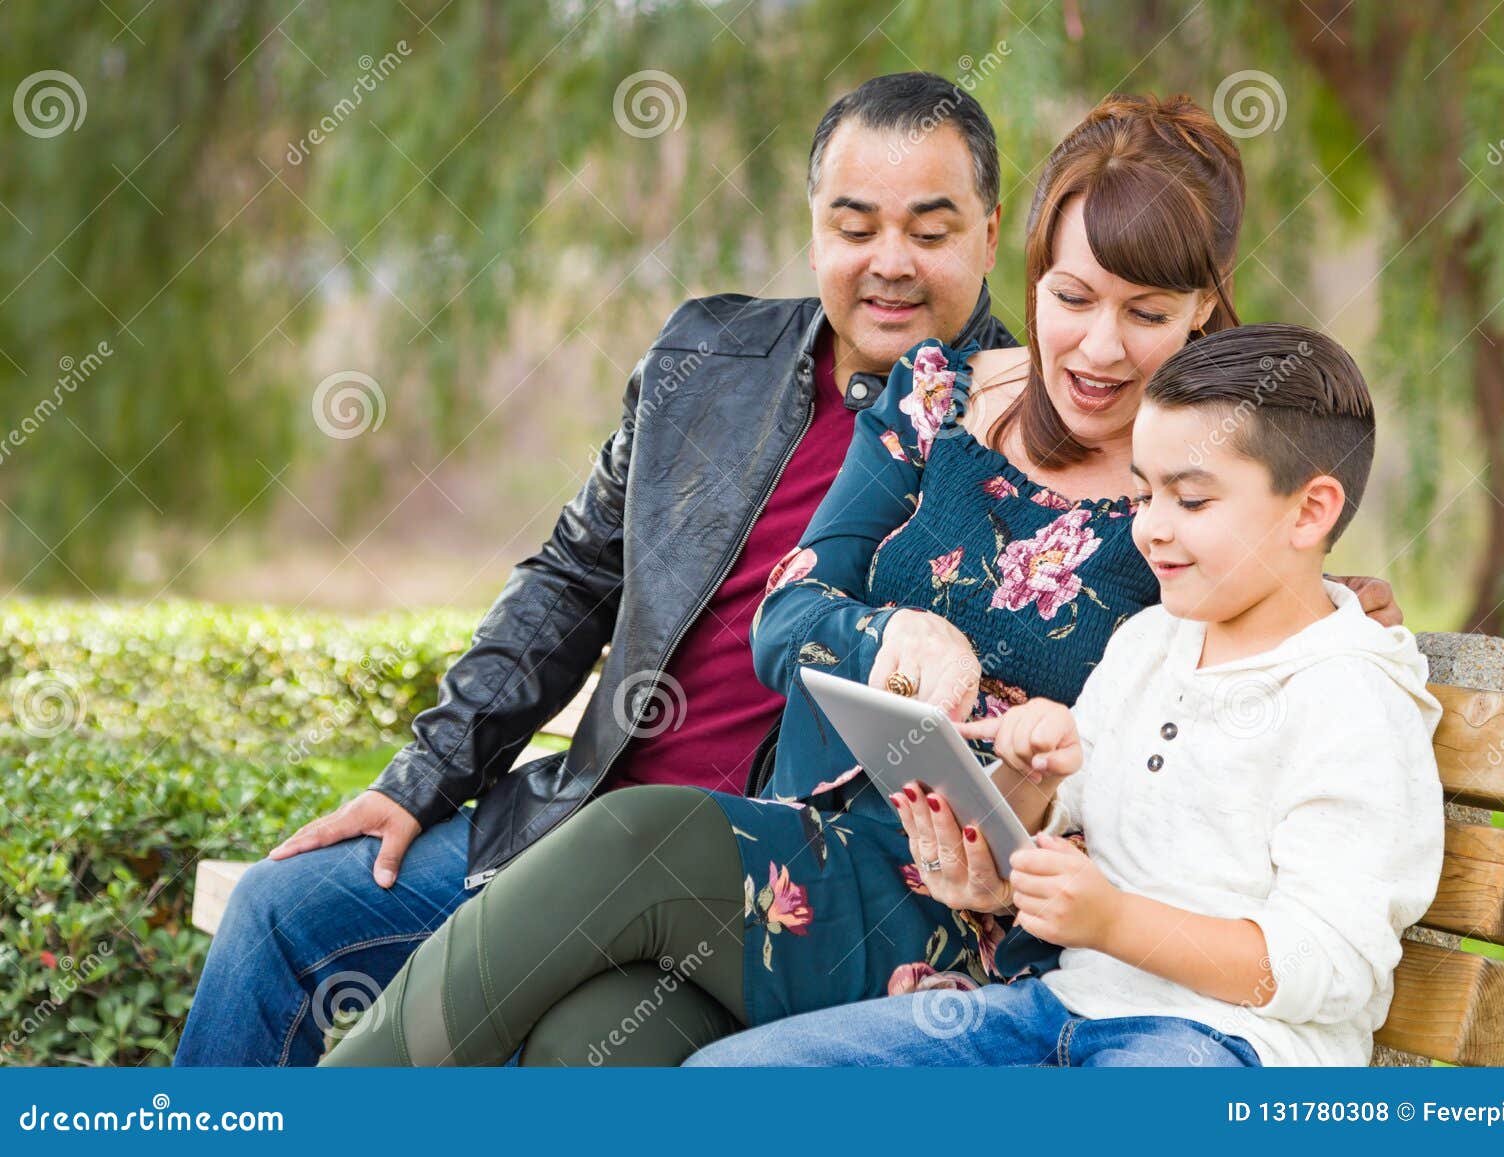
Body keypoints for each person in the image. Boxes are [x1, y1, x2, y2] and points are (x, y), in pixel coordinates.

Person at [318, 94, 1405, 1068]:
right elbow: (784, 615)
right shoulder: (937, 398)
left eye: (1147, 312)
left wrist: (1328, 588)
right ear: (1029, 272)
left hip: (987, 927)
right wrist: (892, 634)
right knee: (590, 1042)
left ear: (1204, 313)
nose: (1098, 348)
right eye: (1072, 296)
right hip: (799, 849)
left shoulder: (1189, 505)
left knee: (632, 840)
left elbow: (1278, 614)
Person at [173, 71, 1023, 1066]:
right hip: (581, 819)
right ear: (812, 231)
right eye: (854, 226)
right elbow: (575, 576)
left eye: (930, 230)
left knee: (579, 1050)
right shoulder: (710, 357)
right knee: (280, 909)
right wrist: (425, 775)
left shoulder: (1022, 437)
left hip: (755, 891)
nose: (890, 263)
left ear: (990, 234)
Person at [683, 322, 1445, 1067]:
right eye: (1144, 495)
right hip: (1060, 1013)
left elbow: (1330, 966)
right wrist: (1032, 778)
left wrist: (1113, 921)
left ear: (1309, 511)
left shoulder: (1354, 700)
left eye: (1192, 501)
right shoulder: (1150, 644)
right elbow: (1054, 823)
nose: (1151, 530)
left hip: (1225, 1046)